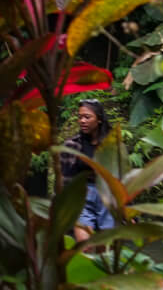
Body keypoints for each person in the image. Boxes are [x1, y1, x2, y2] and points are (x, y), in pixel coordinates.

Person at [65, 99, 118, 242]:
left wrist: (129, 210)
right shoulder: (72, 145)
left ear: (99, 119)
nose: (82, 121)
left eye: (87, 117)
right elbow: (65, 179)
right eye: (80, 117)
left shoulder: (112, 145)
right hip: (82, 197)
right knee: (84, 245)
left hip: (107, 197)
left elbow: (122, 178)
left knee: (106, 250)